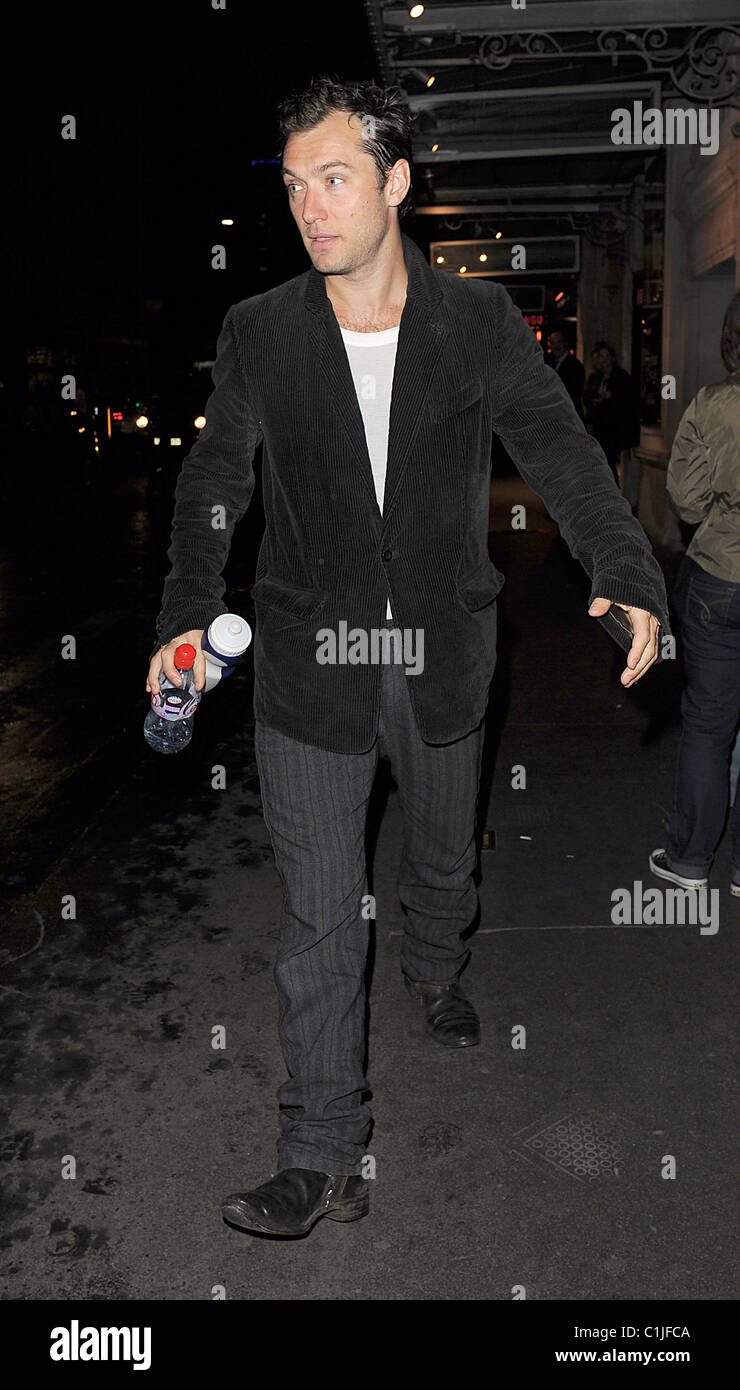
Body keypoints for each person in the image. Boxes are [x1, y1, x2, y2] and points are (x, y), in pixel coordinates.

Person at [146, 75, 669, 1239]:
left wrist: (623, 570)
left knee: (438, 848)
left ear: (394, 183)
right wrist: (187, 611)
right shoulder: (261, 332)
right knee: (322, 917)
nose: (309, 206)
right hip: (306, 667)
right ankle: (318, 1149)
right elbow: (212, 488)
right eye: (292, 186)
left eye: (333, 178)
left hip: (440, 649)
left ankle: (438, 959)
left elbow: (562, 453)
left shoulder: (474, 325)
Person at [650, 289, 740, 896]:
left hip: (721, 580)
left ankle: (689, 863)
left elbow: (685, 501)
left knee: (710, 723)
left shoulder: (712, 405)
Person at [584, 341, 640, 485]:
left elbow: (628, 400)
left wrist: (611, 397)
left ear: (613, 358)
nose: (602, 360)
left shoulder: (620, 377)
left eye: (606, 356)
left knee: (608, 461)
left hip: (613, 427)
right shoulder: (595, 378)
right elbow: (586, 397)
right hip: (598, 425)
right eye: (600, 356)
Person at [546, 324, 585, 420]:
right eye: (553, 343)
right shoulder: (548, 362)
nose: (556, 346)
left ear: (565, 344)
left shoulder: (574, 365)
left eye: (559, 342)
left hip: (569, 415)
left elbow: (573, 393)